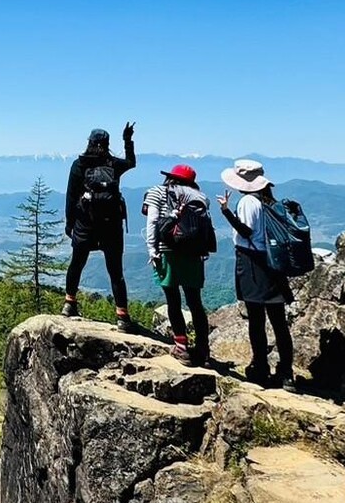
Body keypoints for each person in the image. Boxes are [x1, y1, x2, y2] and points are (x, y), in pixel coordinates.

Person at [218, 158, 296, 391]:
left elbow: (246, 231)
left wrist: (225, 211)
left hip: (252, 263)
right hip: (274, 263)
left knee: (256, 320)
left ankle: (260, 368)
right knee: (279, 322)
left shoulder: (248, 201)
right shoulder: (269, 200)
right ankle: (286, 373)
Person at [61, 122, 137, 330]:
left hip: (85, 224)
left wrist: (70, 223)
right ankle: (122, 316)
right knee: (115, 271)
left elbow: (71, 196)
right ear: (106, 144)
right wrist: (128, 141)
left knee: (77, 263)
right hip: (111, 226)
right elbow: (131, 162)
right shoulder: (113, 164)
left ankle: (69, 303)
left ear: (90, 143)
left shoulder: (79, 165)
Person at [143, 163, 211, 365]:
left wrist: (152, 251)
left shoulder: (158, 192)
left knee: (173, 300)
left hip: (168, 252)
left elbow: (153, 222)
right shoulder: (200, 197)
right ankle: (203, 350)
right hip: (194, 255)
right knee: (195, 303)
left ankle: (181, 347)